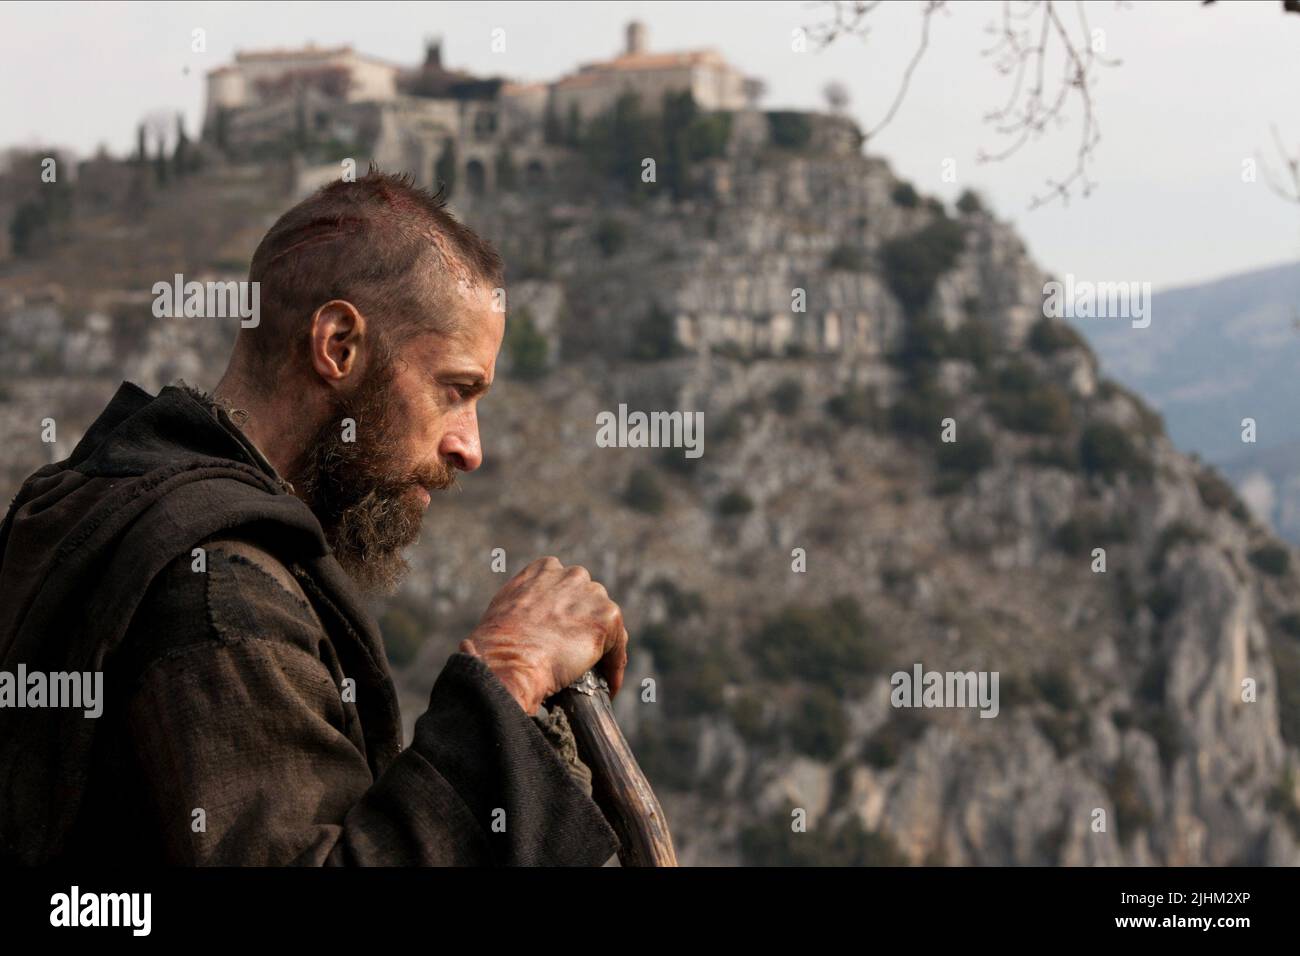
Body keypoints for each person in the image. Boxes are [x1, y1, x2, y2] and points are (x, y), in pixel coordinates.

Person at [0, 170, 628, 866]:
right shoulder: (216, 588)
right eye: (454, 390)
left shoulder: (105, 503)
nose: (469, 448)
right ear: (338, 346)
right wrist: (508, 676)